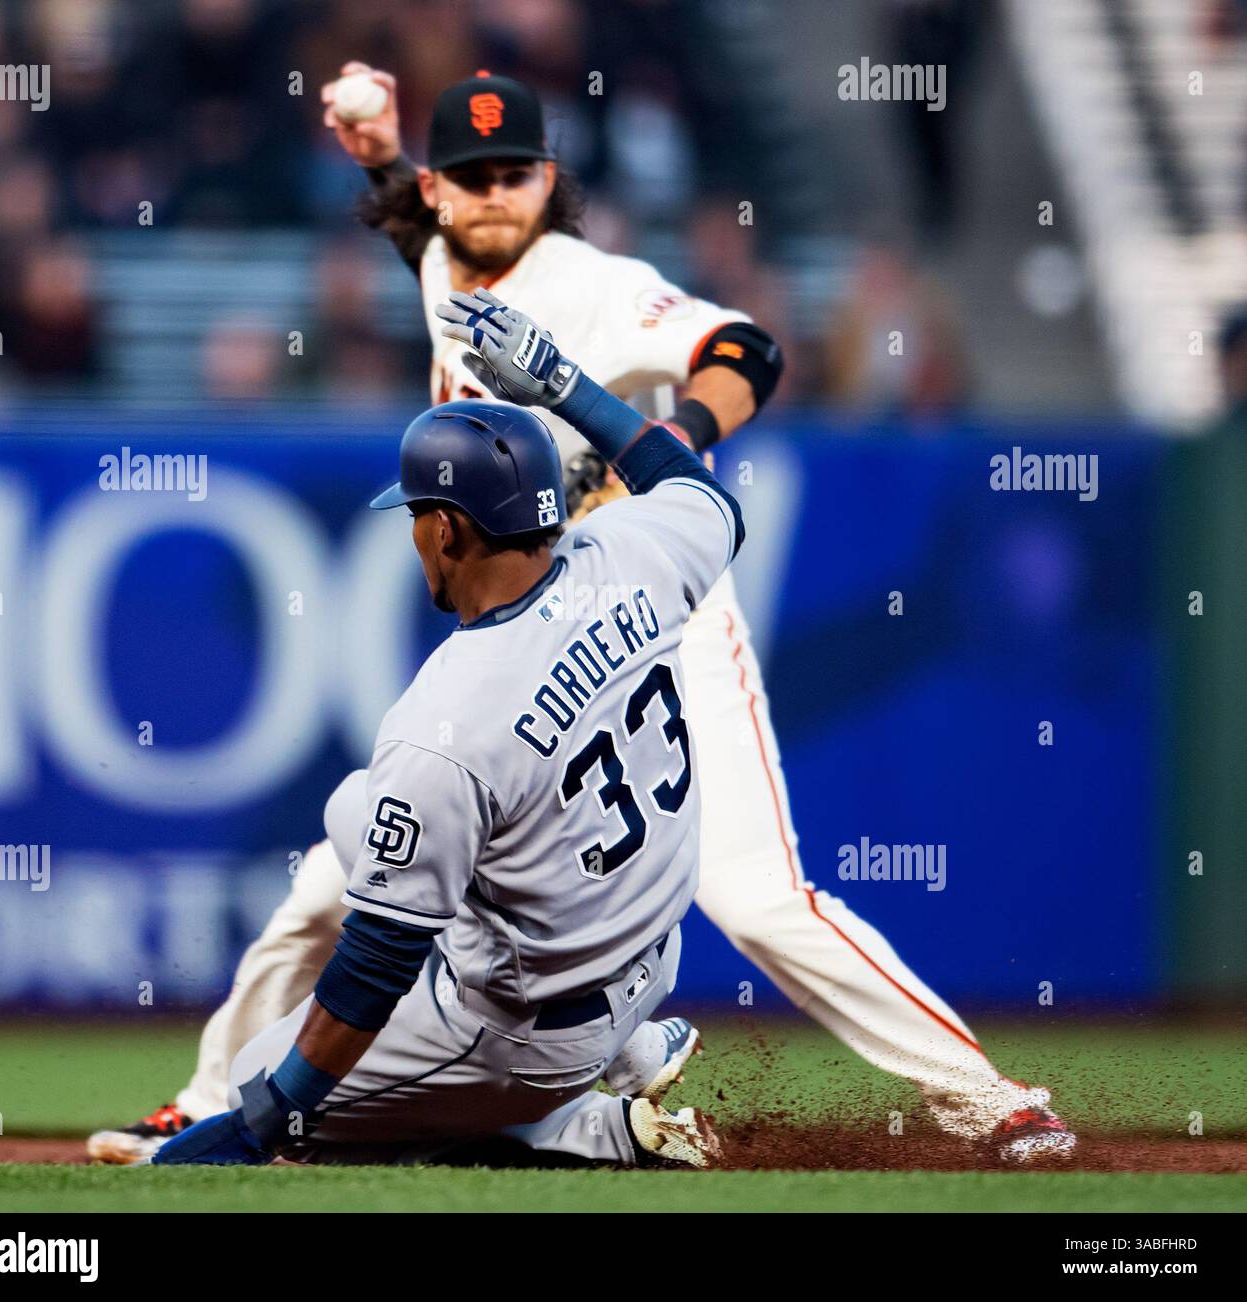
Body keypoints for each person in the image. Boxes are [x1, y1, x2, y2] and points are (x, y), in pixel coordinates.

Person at [91, 67, 1074, 1168]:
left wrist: (686, 434)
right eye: (470, 178)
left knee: (755, 899)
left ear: (549, 179)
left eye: (515, 174)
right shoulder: (443, 252)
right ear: (442, 188)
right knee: (328, 891)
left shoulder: (594, 285)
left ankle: (992, 1101)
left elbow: (748, 348)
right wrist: (374, 151)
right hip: (535, 621)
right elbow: (423, 224)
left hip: (646, 604)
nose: (493, 194)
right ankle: (209, 1097)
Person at [152, 294, 742, 1167]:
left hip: (531, 1034)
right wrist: (568, 387)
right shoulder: (632, 552)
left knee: (263, 1076)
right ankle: (631, 1049)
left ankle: (588, 1131)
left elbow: (376, 965)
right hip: (652, 954)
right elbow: (693, 486)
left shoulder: (447, 721)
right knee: (366, 817)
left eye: (417, 515)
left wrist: (265, 1124)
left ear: (443, 528)